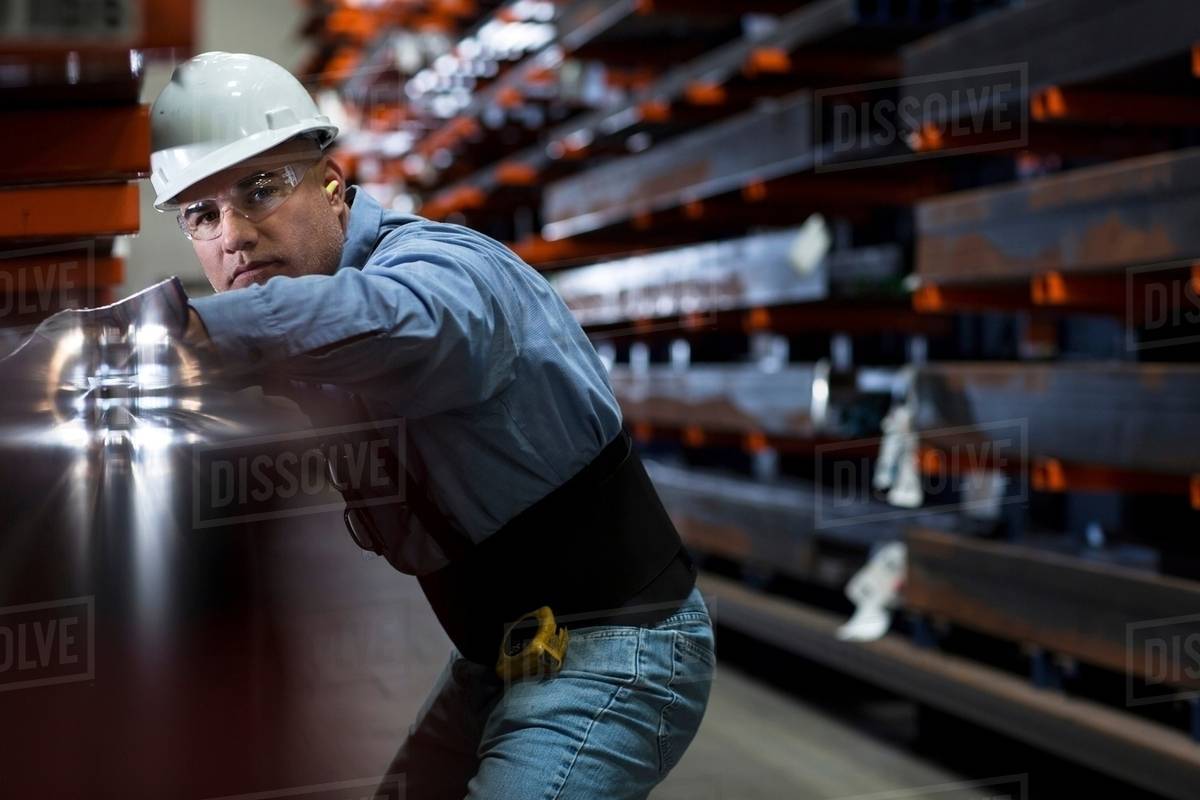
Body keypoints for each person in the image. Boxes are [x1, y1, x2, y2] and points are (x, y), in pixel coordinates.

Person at [151, 52, 714, 799]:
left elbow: (402, 324)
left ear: (332, 185)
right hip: (502, 650)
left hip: (616, 641)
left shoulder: (442, 270)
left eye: (260, 190)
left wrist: (200, 333)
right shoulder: (304, 309)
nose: (234, 234)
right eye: (202, 214)